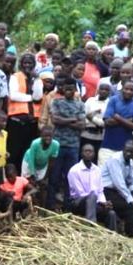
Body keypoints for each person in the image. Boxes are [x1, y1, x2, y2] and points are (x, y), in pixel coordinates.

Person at [48, 78, 85, 208]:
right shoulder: (56, 102)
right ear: (63, 89)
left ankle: (68, 207)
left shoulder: (80, 105)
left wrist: (64, 120)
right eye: (66, 89)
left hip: (73, 145)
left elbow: (82, 125)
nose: (69, 91)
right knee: (54, 176)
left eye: (71, 89)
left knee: (70, 178)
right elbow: (55, 120)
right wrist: (72, 120)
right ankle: (50, 206)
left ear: (75, 90)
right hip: (57, 144)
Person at [6, 53, 44, 169]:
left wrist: (36, 79)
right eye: (25, 63)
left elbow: (38, 96)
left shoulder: (37, 78)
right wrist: (30, 97)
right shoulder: (15, 76)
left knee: (26, 151)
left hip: (32, 121)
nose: (27, 65)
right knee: (14, 151)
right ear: (21, 64)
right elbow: (13, 95)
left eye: (30, 63)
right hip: (16, 120)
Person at [67, 144, 117, 230]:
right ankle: (90, 227)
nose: (88, 153)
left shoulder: (97, 170)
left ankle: (113, 236)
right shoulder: (74, 170)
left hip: (95, 203)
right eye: (86, 151)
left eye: (90, 151)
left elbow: (100, 191)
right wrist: (98, 202)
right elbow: (80, 193)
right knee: (92, 196)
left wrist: (103, 203)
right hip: (78, 203)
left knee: (111, 213)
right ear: (81, 153)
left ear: (94, 154)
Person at [102, 140, 133, 236]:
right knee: (129, 207)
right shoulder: (115, 159)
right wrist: (130, 199)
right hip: (107, 191)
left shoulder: (130, 162)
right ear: (123, 149)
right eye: (127, 151)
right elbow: (119, 183)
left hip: (119, 191)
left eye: (131, 152)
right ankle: (132, 233)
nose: (128, 153)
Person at [99, 80, 133, 166]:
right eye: (126, 89)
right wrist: (128, 121)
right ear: (122, 89)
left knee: (120, 177)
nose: (128, 92)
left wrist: (119, 118)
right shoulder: (113, 100)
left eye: (131, 90)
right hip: (108, 145)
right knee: (104, 174)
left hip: (125, 149)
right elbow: (107, 122)